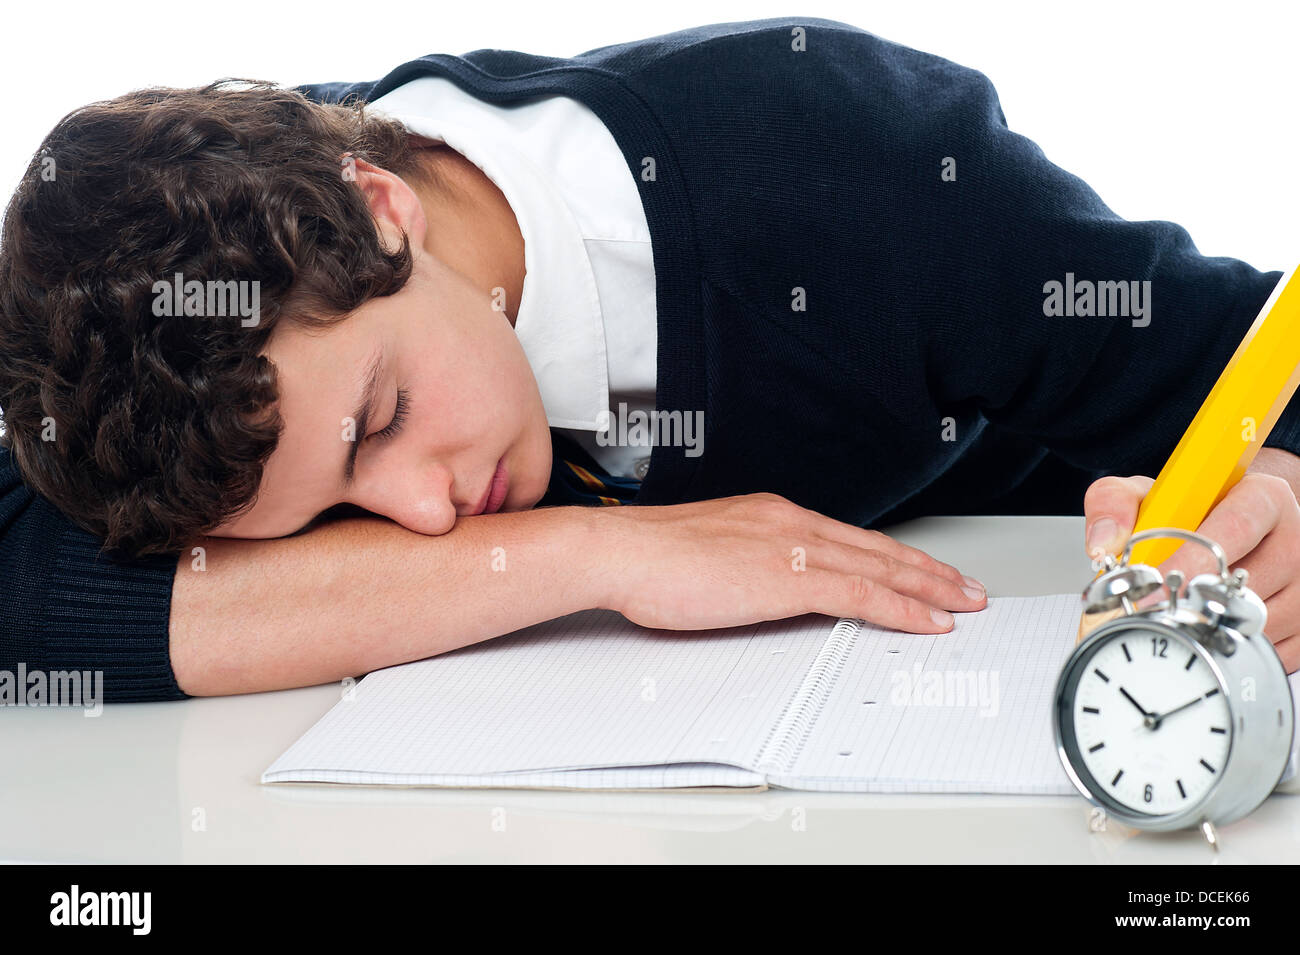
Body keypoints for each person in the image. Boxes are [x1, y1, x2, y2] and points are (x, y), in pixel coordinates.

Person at [3, 17, 1298, 703]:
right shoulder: (202, 296)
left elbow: (1252, 369)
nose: (424, 516)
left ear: (383, 210)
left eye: (381, 424)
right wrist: (602, 553)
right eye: (336, 519)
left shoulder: (861, 171)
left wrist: (1280, 503)